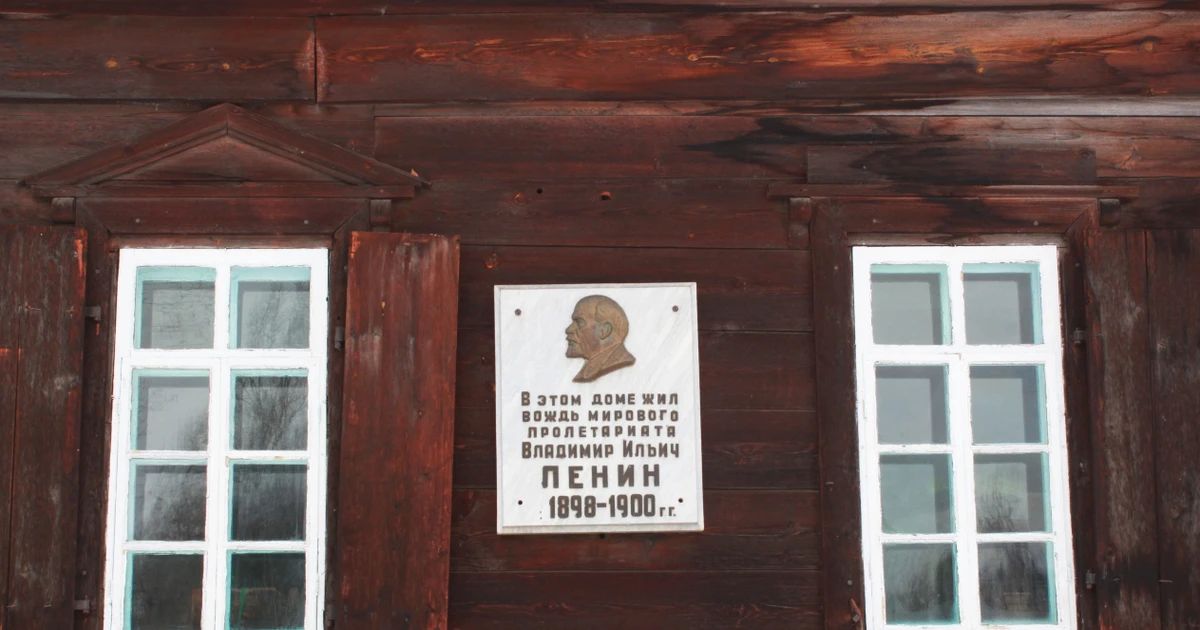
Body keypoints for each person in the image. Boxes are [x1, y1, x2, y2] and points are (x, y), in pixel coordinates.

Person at [564, 294, 636, 383]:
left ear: (604, 330)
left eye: (579, 322)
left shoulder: (618, 363)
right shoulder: (588, 370)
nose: (569, 329)